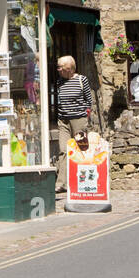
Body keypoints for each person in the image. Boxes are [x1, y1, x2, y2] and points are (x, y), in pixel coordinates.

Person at [54, 55, 91, 197]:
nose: (58, 70)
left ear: (69, 68)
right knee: (63, 150)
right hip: (63, 121)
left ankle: (84, 181)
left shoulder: (82, 80)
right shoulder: (59, 82)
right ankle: (61, 184)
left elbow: (88, 100)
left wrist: (84, 116)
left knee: (82, 149)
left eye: (60, 67)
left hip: (78, 120)